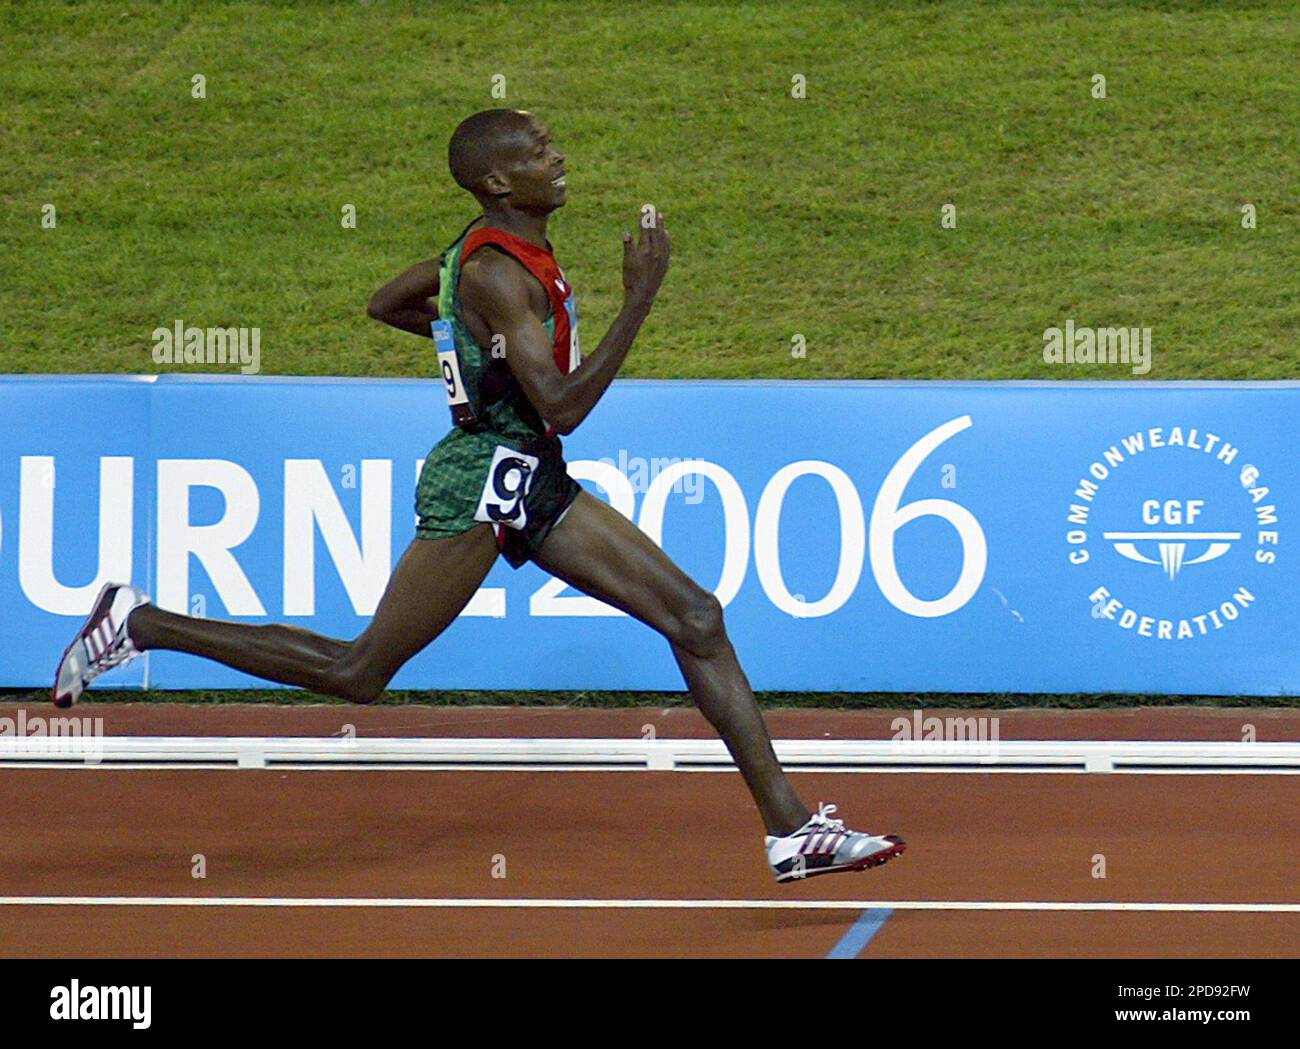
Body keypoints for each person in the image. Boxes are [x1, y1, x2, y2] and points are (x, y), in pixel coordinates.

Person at [53, 109, 904, 881]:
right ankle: (141, 622)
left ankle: (790, 830)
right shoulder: (498, 274)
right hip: (487, 479)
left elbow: (387, 300)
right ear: (498, 181)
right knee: (359, 672)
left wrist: (463, 341)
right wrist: (639, 300)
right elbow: (565, 403)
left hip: (527, 470)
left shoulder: (489, 256)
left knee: (696, 617)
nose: (557, 155)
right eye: (538, 150)